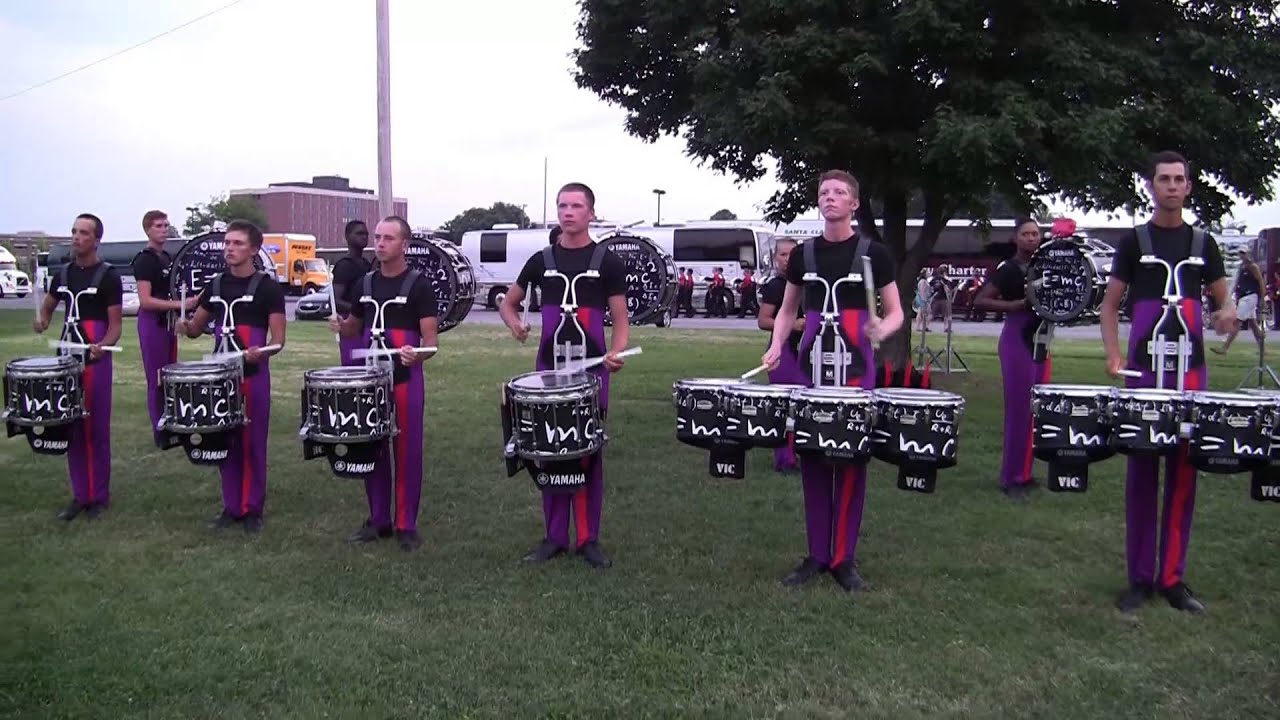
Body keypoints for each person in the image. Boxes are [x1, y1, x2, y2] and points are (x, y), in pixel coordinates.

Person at [1100, 151, 1234, 615]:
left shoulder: (1204, 242)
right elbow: (1111, 304)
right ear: (1151, 186)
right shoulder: (1134, 241)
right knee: (1141, 469)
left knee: (1183, 471)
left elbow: (1222, 303)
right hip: (1144, 369)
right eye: (1164, 179)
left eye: (1179, 180)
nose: (1172, 186)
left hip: (1190, 369)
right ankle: (1139, 577)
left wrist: (1227, 316)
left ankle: (1173, 578)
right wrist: (1114, 355)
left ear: (1189, 186)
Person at [762, 170, 904, 594]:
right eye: (824, 192)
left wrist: (884, 328)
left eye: (840, 193)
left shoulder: (873, 254)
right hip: (812, 364)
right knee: (813, 458)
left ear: (854, 204)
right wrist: (776, 344)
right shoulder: (804, 254)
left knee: (852, 458)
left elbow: (896, 310)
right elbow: (787, 311)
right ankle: (816, 554)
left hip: (856, 363)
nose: (831, 198)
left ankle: (844, 557)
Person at [498, 182, 629, 569]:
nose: (568, 212)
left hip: (592, 373)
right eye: (562, 205)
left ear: (591, 212)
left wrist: (616, 351)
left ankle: (588, 538)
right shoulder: (542, 260)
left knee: (588, 451)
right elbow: (509, 303)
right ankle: (554, 537)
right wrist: (515, 326)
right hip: (548, 373)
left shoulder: (607, 261)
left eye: (576, 206)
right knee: (548, 451)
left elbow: (620, 320)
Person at [332, 216, 439, 551]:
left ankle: (406, 523)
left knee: (407, 451)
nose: (379, 243)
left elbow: (431, 341)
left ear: (404, 244)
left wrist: (416, 355)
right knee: (372, 445)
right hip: (371, 379)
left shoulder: (418, 284)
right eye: (377, 237)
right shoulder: (365, 283)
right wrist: (341, 325)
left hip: (405, 378)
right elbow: (355, 327)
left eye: (388, 238)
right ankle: (379, 519)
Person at [176, 220, 286, 534]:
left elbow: (278, 340)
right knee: (224, 439)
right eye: (227, 243)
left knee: (252, 442)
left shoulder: (267, 287)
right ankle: (231, 505)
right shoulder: (216, 285)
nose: (230, 249)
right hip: (220, 376)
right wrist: (186, 327)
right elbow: (198, 328)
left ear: (253, 249)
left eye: (237, 244)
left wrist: (260, 352)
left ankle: (253, 508)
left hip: (252, 375)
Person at [33, 213, 122, 521]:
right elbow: (48, 307)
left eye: (83, 233)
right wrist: (43, 320)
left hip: (95, 354)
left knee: (95, 427)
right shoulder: (64, 274)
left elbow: (115, 326)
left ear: (96, 240)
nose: (76, 237)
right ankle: (79, 495)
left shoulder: (108, 276)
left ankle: (99, 496)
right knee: (71, 424)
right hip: (67, 354)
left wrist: (103, 346)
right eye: (73, 231)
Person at [972, 219, 1046, 500]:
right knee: (1018, 410)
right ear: (1015, 239)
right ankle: (1010, 476)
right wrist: (1012, 306)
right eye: (1025, 234)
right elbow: (981, 300)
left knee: (1035, 409)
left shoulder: (1042, 266)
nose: (1031, 239)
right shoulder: (1008, 269)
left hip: (1041, 337)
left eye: (1035, 234)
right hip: (1017, 337)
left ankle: (1025, 473)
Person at [132, 210, 193, 447]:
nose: (164, 229)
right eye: (158, 225)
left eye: (166, 225)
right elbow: (146, 300)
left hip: (168, 323)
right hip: (152, 324)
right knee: (156, 379)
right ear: (148, 229)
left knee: (170, 377)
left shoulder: (167, 258)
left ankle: (172, 424)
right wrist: (179, 304)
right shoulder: (144, 259)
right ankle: (161, 431)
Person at [757, 237, 805, 473]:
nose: (787, 260)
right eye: (783, 255)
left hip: (804, 350)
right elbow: (763, 320)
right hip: (782, 351)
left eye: (792, 254)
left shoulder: (807, 283)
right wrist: (793, 324)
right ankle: (785, 460)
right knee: (784, 406)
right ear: (775, 258)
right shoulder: (775, 285)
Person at [330, 220, 371, 366]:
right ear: (347, 236)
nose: (364, 237)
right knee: (353, 368)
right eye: (359, 233)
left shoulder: (367, 264)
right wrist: (358, 310)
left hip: (367, 325)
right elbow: (335, 300)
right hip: (350, 324)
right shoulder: (344, 265)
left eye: (366, 234)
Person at [1212, 249, 1265, 357]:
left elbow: (1260, 281)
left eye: (1244, 253)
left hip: (1250, 296)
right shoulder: (1242, 267)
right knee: (1253, 324)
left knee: (1237, 322)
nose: (1242, 256)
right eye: (1241, 253)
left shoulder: (1253, 267)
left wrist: (1262, 298)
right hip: (1243, 296)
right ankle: (1262, 348)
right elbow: (1236, 282)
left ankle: (1225, 348)